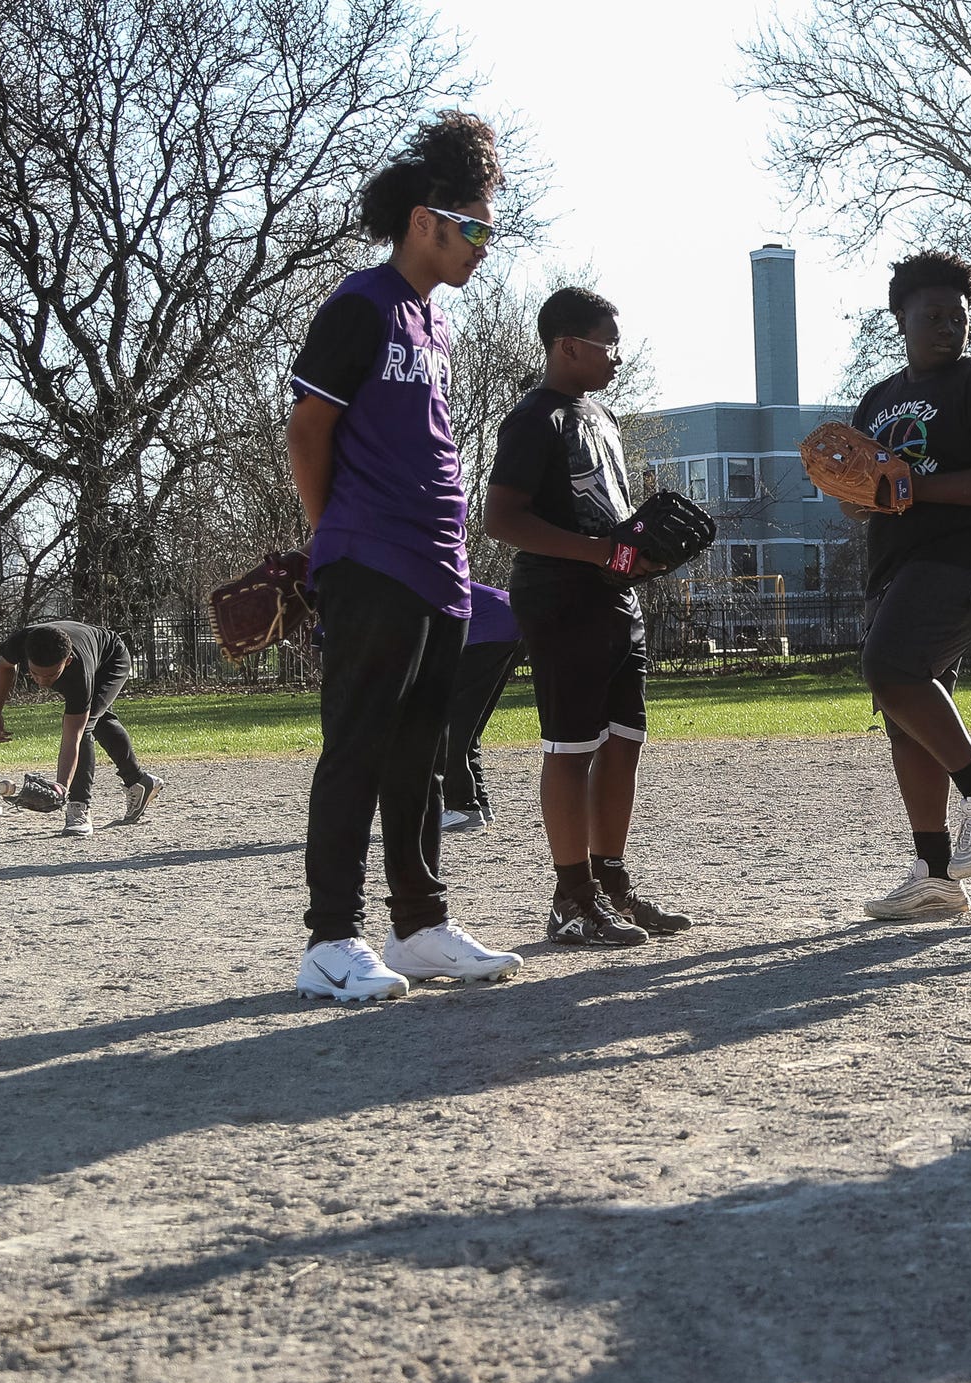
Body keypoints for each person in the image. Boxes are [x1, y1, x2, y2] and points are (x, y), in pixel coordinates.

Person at [286, 112, 523, 1002]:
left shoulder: (434, 325)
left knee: (422, 751)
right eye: (475, 225)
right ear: (425, 219)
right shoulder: (359, 305)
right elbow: (309, 430)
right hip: (371, 557)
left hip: (439, 563)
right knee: (357, 744)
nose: (484, 245)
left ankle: (419, 925)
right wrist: (332, 538)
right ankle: (329, 941)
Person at [484, 286, 690, 946]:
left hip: (613, 599)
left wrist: (643, 551)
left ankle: (610, 883)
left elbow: (611, 519)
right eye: (610, 345)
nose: (618, 359)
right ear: (568, 346)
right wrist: (601, 551)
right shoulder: (534, 419)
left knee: (624, 741)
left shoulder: (600, 417)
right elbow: (502, 518)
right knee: (572, 748)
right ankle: (572, 897)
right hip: (561, 597)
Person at [847, 250, 971, 921]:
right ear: (899, 317)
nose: (945, 328)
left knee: (889, 664)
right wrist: (855, 493)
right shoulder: (876, 400)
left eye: (956, 317)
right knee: (907, 716)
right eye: (931, 315)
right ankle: (933, 873)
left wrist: (918, 486)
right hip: (897, 569)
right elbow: (862, 496)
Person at [0, 622, 163, 837]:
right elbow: (5, 667)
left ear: (67, 661)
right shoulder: (20, 643)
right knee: (99, 718)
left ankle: (78, 807)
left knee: (87, 725)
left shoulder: (78, 673)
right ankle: (139, 781)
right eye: (34, 674)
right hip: (87, 650)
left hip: (111, 659)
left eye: (50, 676)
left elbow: (74, 737)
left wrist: (61, 788)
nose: (42, 682)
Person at [438, 579, 523, 833]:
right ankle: (479, 802)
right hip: (508, 617)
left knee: (445, 724)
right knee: (467, 726)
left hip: (489, 624)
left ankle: (463, 806)